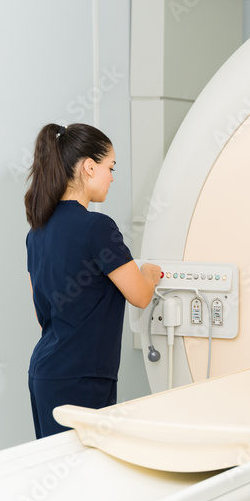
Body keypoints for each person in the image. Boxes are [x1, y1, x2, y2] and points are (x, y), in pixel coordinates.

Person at [24, 123, 161, 438]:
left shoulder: (36, 233)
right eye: (110, 168)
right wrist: (149, 274)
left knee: (58, 470)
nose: (112, 177)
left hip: (44, 373)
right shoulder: (97, 227)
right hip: (82, 379)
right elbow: (140, 296)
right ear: (89, 167)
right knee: (87, 474)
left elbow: (41, 311)